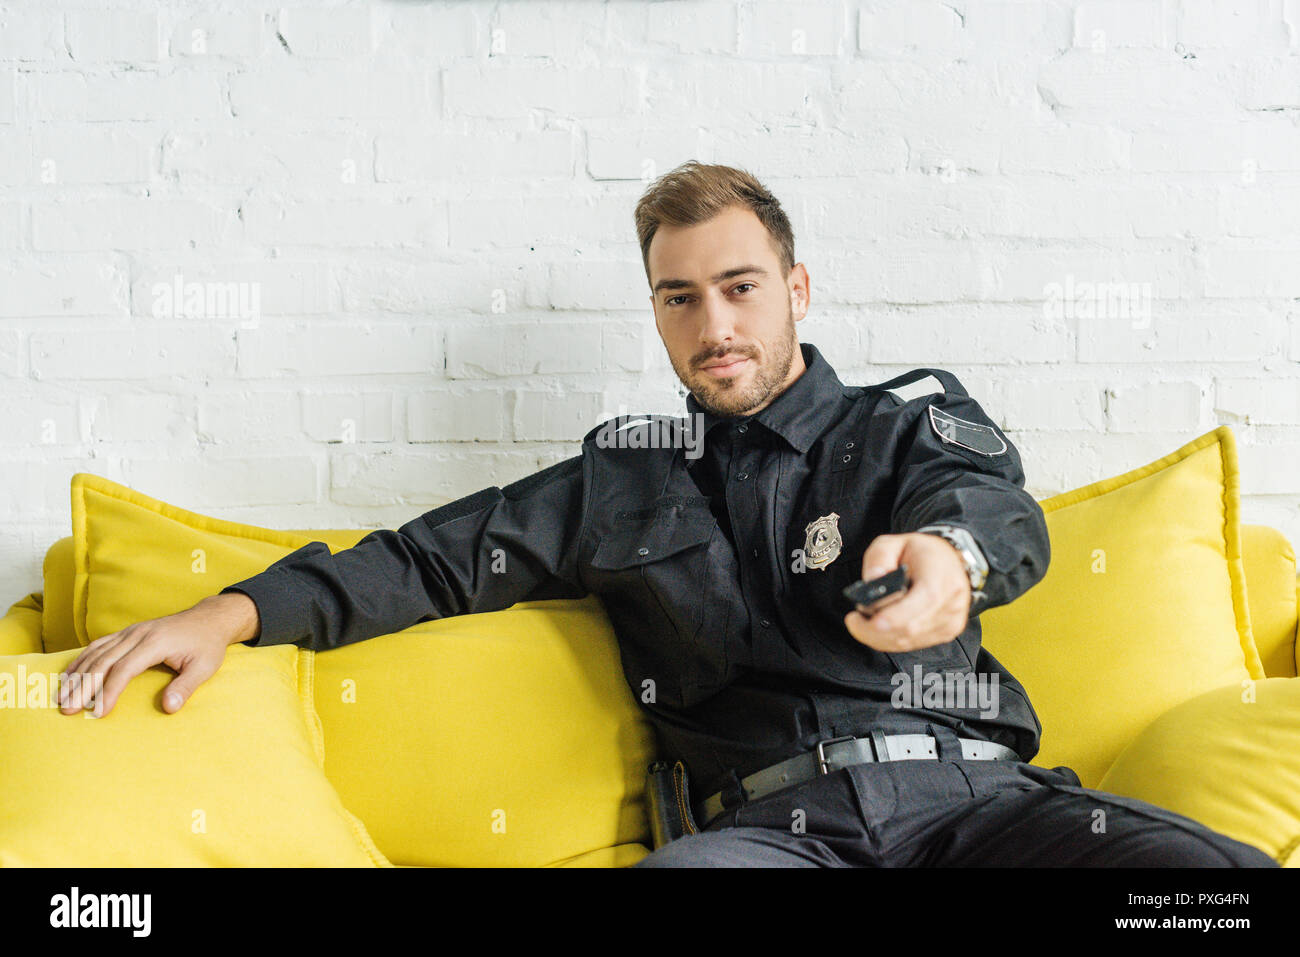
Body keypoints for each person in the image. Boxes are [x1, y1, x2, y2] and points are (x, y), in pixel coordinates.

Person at [56, 161, 1276, 868]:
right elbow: (427, 563)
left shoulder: (906, 425)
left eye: (740, 288)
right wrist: (231, 611)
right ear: (656, 313)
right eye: (679, 299)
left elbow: (989, 513)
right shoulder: (616, 480)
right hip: (767, 835)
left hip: (977, 810)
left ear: (794, 289)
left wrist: (947, 563)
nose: (715, 327)